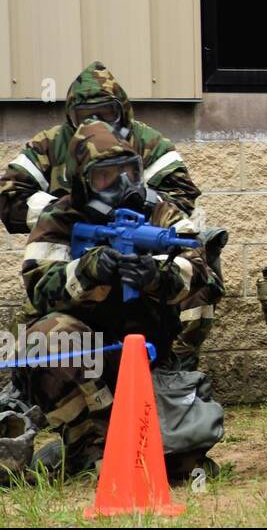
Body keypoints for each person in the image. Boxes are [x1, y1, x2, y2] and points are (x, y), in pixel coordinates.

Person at [13, 121, 218, 477]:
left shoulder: (162, 212)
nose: (123, 184)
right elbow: (39, 286)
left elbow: (197, 266)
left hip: (149, 356)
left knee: (181, 463)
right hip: (88, 360)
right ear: (82, 182)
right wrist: (87, 271)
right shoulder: (60, 218)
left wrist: (157, 276)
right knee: (44, 337)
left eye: (130, 172)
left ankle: (139, 435)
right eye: (107, 177)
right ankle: (89, 445)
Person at [0, 62, 218, 369]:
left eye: (105, 114)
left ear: (123, 113)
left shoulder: (147, 142)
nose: (96, 122)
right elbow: (10, 196)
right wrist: (73, 215)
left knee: (201, 287)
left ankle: (173, 372)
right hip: (74, 266)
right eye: (85, 116)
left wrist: (145, 214)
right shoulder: (52, 145)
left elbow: (182, 199)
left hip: (145, 259)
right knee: (39, 335)